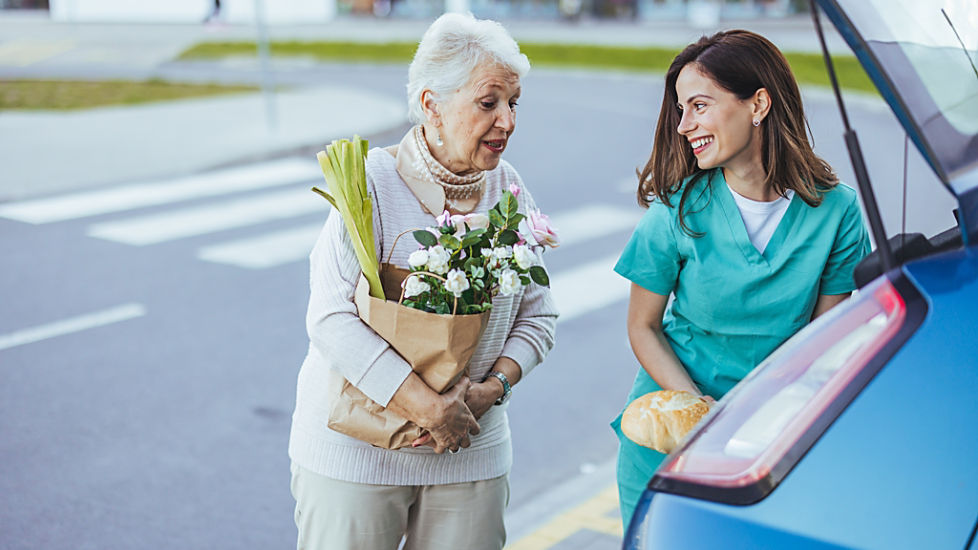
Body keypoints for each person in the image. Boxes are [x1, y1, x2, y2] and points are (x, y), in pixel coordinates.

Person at [288, 12, 558, 550]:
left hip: (469, 451)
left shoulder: (508, 189)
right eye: (489, 103)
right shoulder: (371, 183)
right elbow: (331, 318)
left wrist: (491, 390)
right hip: (356, 451)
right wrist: (430, 409)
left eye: (514, 103)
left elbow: (539, 315)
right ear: (432, 104)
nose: (507, 121)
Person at [612, 30, 870, 528]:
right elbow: (642, 327)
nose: (684, 125)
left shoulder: (837, 211)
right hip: (669, 440)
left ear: (758, 104)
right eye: (681, 109)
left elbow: (824, 343)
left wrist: (763, 417)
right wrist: (697, 410)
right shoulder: (675, 211)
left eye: (699, 106)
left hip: (776, 437)